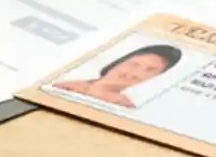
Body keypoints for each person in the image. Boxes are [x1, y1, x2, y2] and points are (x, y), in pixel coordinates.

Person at [51, 44, 182, 109]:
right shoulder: (66, 86)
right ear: (119, 62)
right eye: (134, 64)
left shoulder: (125, 106)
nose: (134, 73)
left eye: (150, 70)